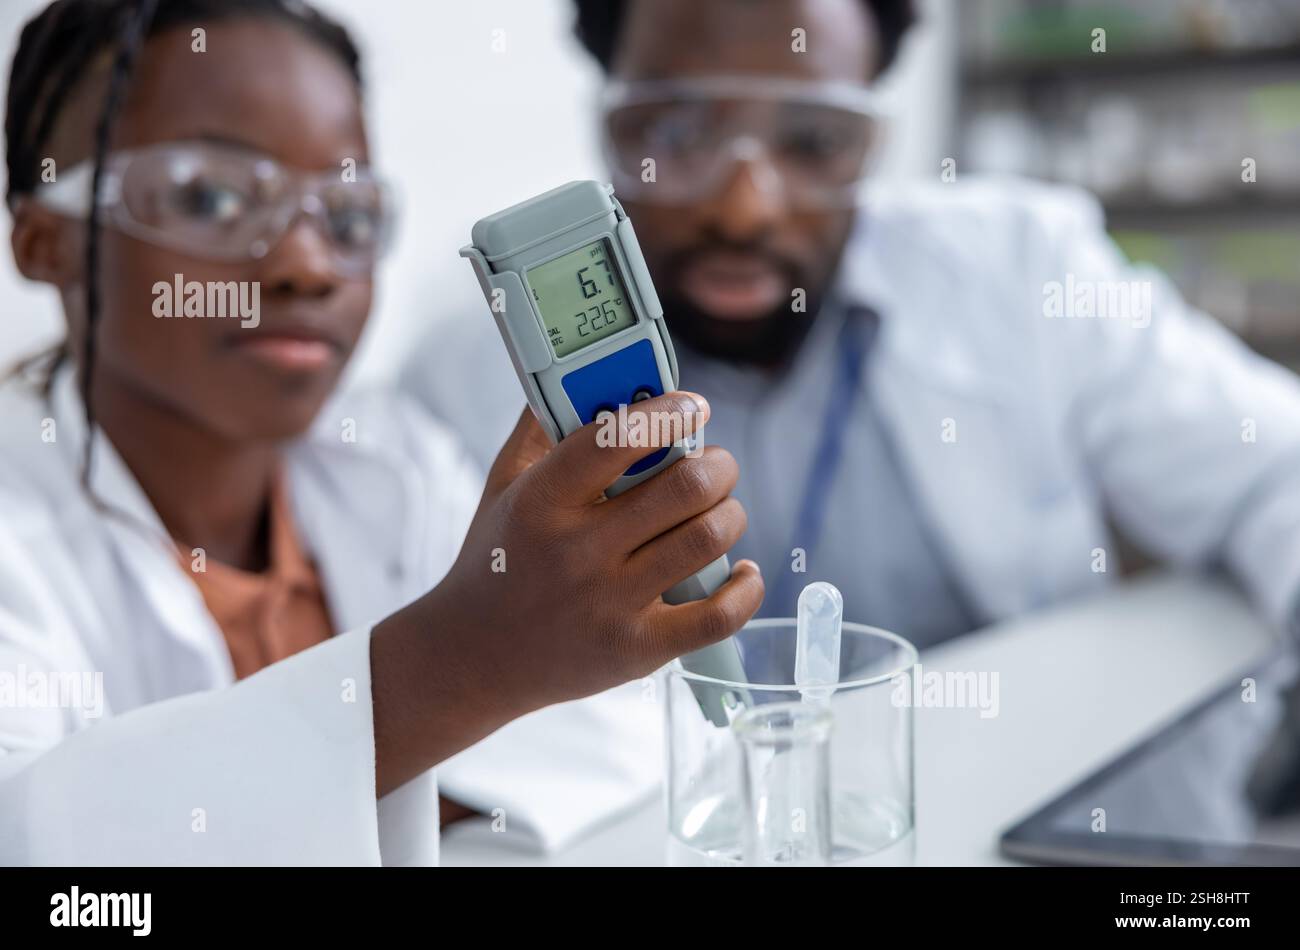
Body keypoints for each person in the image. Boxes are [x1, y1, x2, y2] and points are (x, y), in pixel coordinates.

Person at [403, 0, 1300, 815]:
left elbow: (1276, 468)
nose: (743, 206)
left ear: (874, 137)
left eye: (815, 141)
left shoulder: (1025, 268)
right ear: (611, 129)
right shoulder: (461, 380)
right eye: (676, 132)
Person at [0, 0, 762, 864]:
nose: (305, 264)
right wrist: (454, 667)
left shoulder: (389, 460)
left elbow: (616, 739)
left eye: (349, 216)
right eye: (208, 196)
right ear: (44, 240)